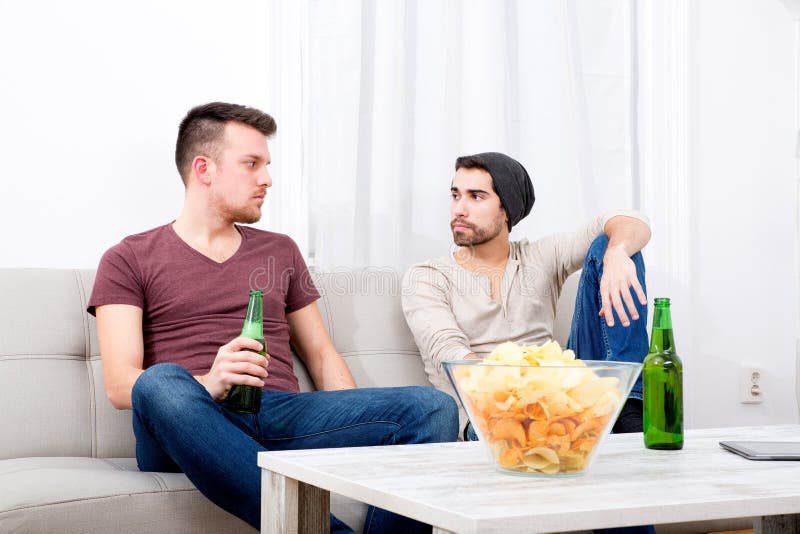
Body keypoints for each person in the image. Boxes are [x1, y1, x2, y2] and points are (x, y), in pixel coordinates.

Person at [87, 102, 458, 534]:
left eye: (267, 164)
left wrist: (353, 432)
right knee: (159, 380)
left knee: (431, 408)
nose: (267, 178)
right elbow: (120, 384)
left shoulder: (279, 250)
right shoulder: (129, 257)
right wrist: (209, 382)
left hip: (280, 413)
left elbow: (320, 353)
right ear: (204, 169)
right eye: (252, 164)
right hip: (186, 421)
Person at [402, 152, 651, 438]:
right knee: (522, 413)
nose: (459, 209)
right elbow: (454, 359)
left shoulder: (540, 257)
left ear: (507, 209)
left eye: (476, 197)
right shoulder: (427, 277)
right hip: (490, 415)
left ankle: (629, 407)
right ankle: (602, 421)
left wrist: (617, 253)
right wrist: (540, 391)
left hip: (561, 398)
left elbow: (630, 219)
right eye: (456, 195)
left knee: (612, 243)